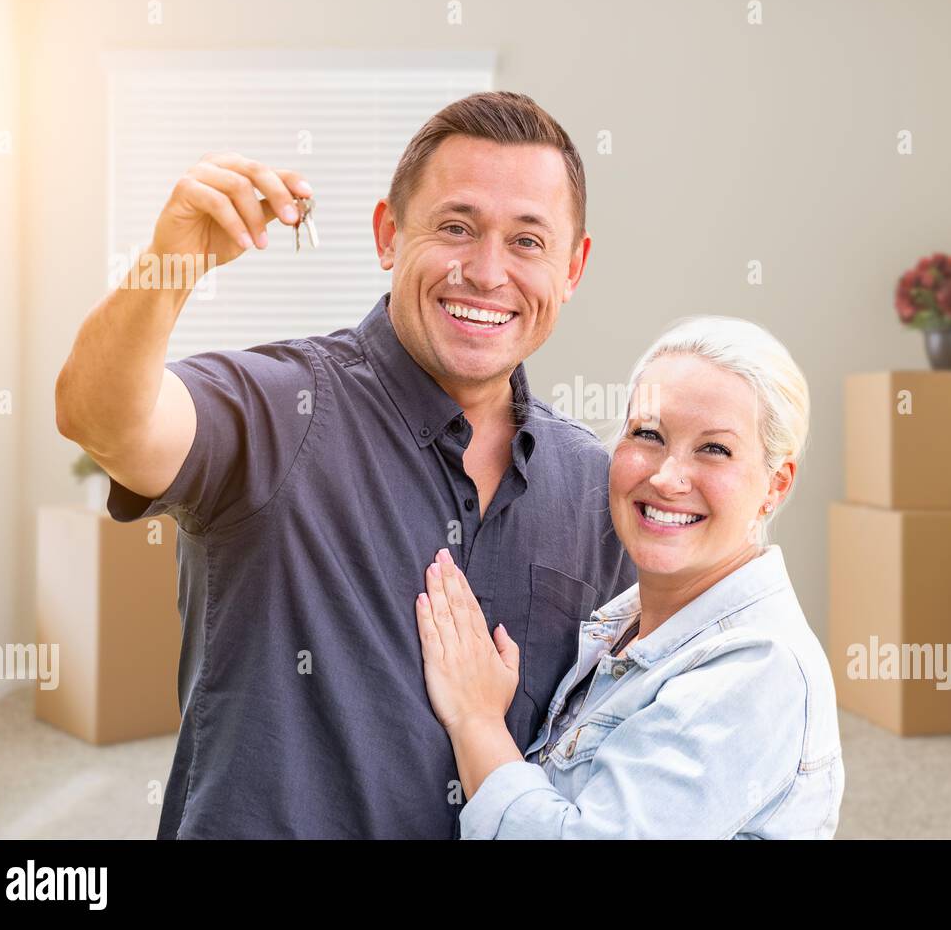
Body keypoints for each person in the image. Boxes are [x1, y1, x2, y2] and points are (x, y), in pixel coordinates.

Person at [54, 91, 635, 838]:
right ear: (388, 235)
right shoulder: (277, 408)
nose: (488, 272)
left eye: (528, 241)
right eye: (456, 227)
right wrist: (170, 264)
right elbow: (99, 417)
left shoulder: (596, 487)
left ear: (573, 267)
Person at [414, 316, 845, 838]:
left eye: (714, 449)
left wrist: (478, 721)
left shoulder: (758, 670)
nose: (666, 477)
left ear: (775, 485)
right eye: (648, 435)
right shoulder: (622, 626)